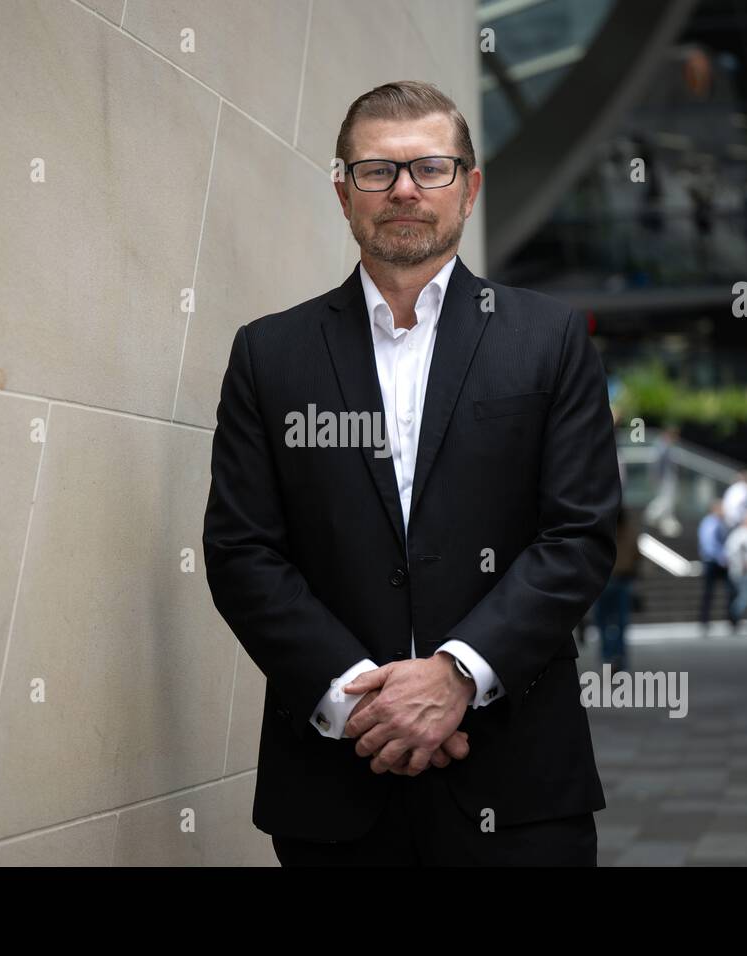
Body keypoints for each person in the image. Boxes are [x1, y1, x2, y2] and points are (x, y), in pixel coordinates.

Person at [202, 81, 620, 867]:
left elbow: (580, 535)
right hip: (334, 786)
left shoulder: (549, 339)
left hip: (521, 786)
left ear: (469, 188)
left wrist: (458, 675)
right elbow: (242, 552)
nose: (403, 189)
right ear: (342, 191)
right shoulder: (269, 354)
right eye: (376, 171)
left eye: (431, 168)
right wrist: (361, 699)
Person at [594, 508, 640, 672]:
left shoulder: (603, 532)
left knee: (603, 622)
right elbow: (636, 555)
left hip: (605, 581)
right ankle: (619, 658)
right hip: (622, 580)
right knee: (620, 622)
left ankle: (608, 656)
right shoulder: (630, 532)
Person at [697, 499, 735, 635]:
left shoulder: (721, 523)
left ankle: (732, 618)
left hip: (721, 561)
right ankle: (704, 620)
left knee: (730, 590)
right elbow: (708, 544)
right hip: (712, 562)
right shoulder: (709, 523)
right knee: (709, 592)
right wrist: (721, 557)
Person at [643, 425, 681, 537]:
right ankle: (651, 516)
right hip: (663, 479)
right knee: (664, 500)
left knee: (668, 501)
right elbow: (656, 465)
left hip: (666, 479)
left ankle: (660, 520)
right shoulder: (661, 447)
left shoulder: (666, 447)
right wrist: (655, 478)